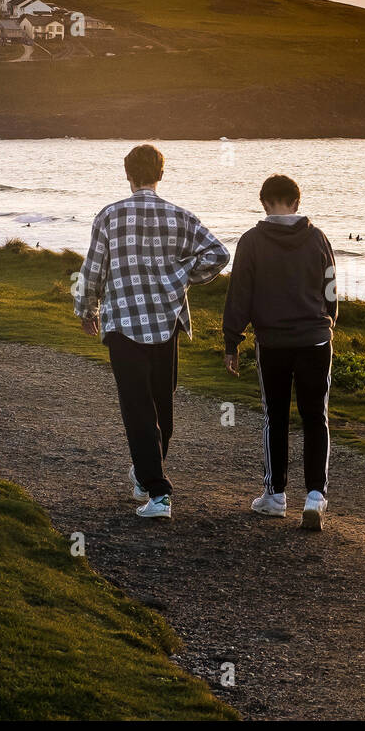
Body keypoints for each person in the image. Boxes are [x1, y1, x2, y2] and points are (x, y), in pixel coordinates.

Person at [74, 144, 229, 520]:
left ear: (128, 175)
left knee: (138, 407)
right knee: (162, 404)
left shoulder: (109, 216)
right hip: (166, 320)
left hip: (123, 322)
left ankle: (155, 491)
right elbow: (219, 254)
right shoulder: (180, 216)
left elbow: (93, 269)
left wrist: (85, 308)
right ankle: (151, 482)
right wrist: (182, 277)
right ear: (161, 174)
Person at [222, 174, 337, 530]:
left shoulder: (252, 241)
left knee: (276, 416)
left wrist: (232, 342)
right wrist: (329, 319)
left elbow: (239, 294)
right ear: (297, 203)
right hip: (316, 340)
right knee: (316, 415)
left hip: (272, 343)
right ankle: (315, 495)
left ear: (264, 202)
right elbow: (331, 284)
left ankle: (274, 496)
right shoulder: (318, 238)